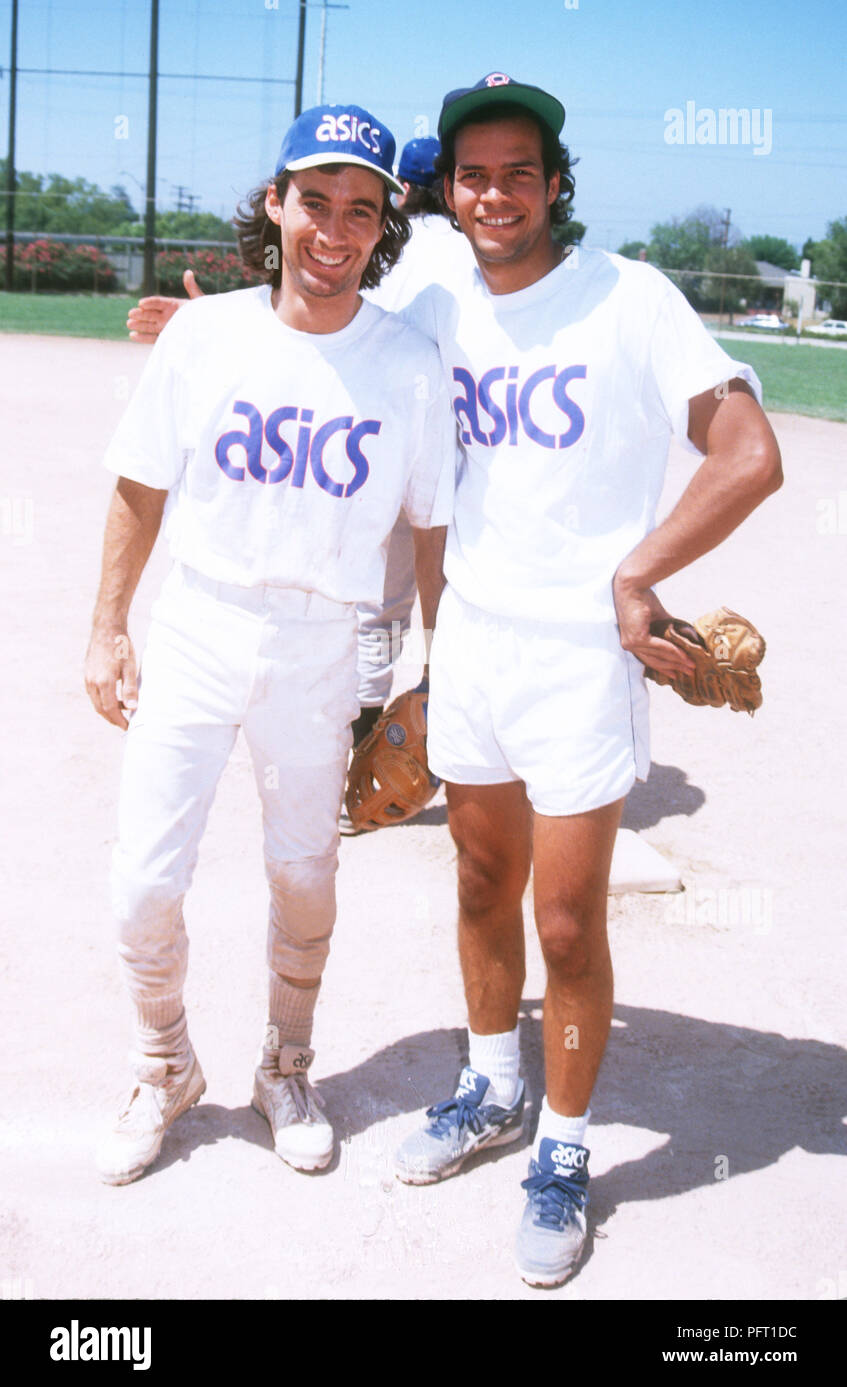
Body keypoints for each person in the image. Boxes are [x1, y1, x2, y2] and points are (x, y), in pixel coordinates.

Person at [390, 74, 783, 1288]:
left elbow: (748, 454)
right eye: (472, 173)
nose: (495, 191)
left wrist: (638, 576)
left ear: (557, 184)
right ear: (447, 192)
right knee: (474, 882)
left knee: (564, 920)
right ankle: (490, 1085)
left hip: (576, 657)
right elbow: (322, 325)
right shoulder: (432, 294)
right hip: (472, 647)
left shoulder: (631, 297)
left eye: (519, 170)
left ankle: (561, 1151)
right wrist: (205, 327)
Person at [85, 103, 457, 1186]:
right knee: (142, 884)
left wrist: (438, 671)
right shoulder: (207, 335)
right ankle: (163, 1067)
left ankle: (286, 1066)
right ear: (275, 204)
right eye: (314, 202)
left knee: (303, 876)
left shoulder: (408, 365)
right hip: (199, 620)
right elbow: (139, 485)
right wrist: (109, 625)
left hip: (321, 640)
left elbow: (430, 529)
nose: (333, 229)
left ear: (386, 222)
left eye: (360, 208)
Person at [126, 138, 475, 836]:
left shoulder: (406, 252)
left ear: (399, 197)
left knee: (364, 612)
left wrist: (218, 319)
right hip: (418, 446)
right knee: (386, 613)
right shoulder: (462, 257)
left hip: (365, 432)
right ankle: (381, 747)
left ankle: (351, 757)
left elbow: (321, 309)